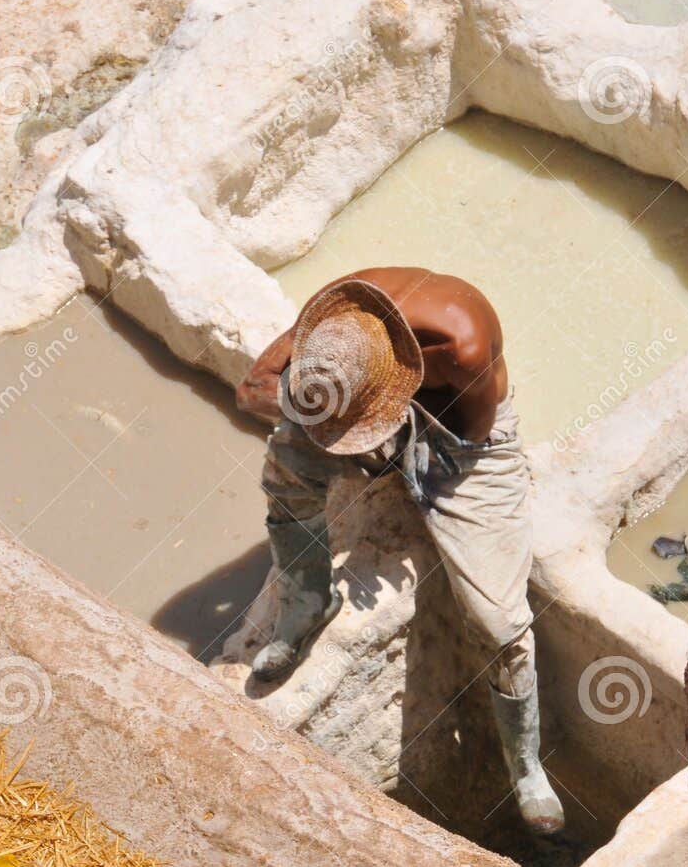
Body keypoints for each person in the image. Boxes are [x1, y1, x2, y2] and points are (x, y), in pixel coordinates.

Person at [236, 268, 564, 835]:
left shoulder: (462, 346)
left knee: (496, 617)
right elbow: (251, 390)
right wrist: (331, 420)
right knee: (287, 469)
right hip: (367, 408)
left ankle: (526, 763)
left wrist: (396, 445)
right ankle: (309, 600)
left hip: (461, 436)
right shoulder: (336, 321)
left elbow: (475, 432)